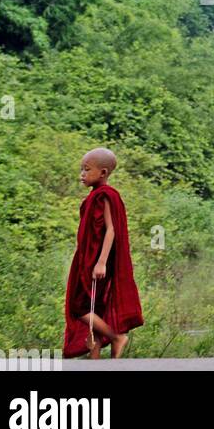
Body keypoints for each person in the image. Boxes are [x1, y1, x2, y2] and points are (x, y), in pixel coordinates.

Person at [63, 148, 144, 359]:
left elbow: (111, 230)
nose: (82, 174)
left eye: (87, 169)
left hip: (98, 261)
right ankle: (95, 357)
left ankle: (116, 337)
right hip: (87, 259)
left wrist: (101, 262)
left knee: (78, 307)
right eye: (81, 169)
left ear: (103, 172)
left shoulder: (106, 195)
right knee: (95, 308)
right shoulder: (94, 196)